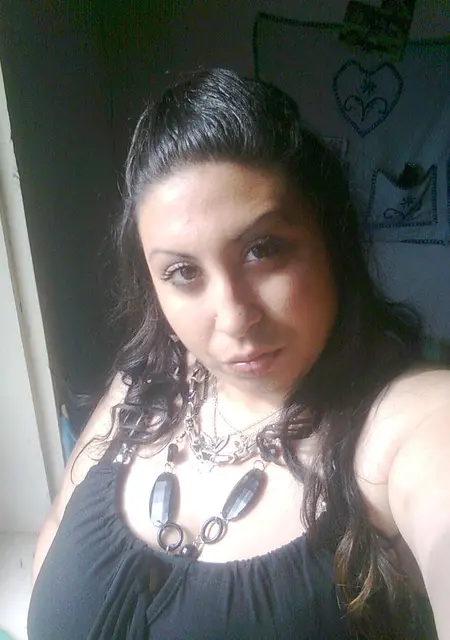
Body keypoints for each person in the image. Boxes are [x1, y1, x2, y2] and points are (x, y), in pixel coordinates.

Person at [27, 68, 449, 639]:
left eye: (262, 250)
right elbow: (57, 528)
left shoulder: (407, 425)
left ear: (332, 242)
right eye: (182, 272)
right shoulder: (142, 387)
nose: (232, 317)